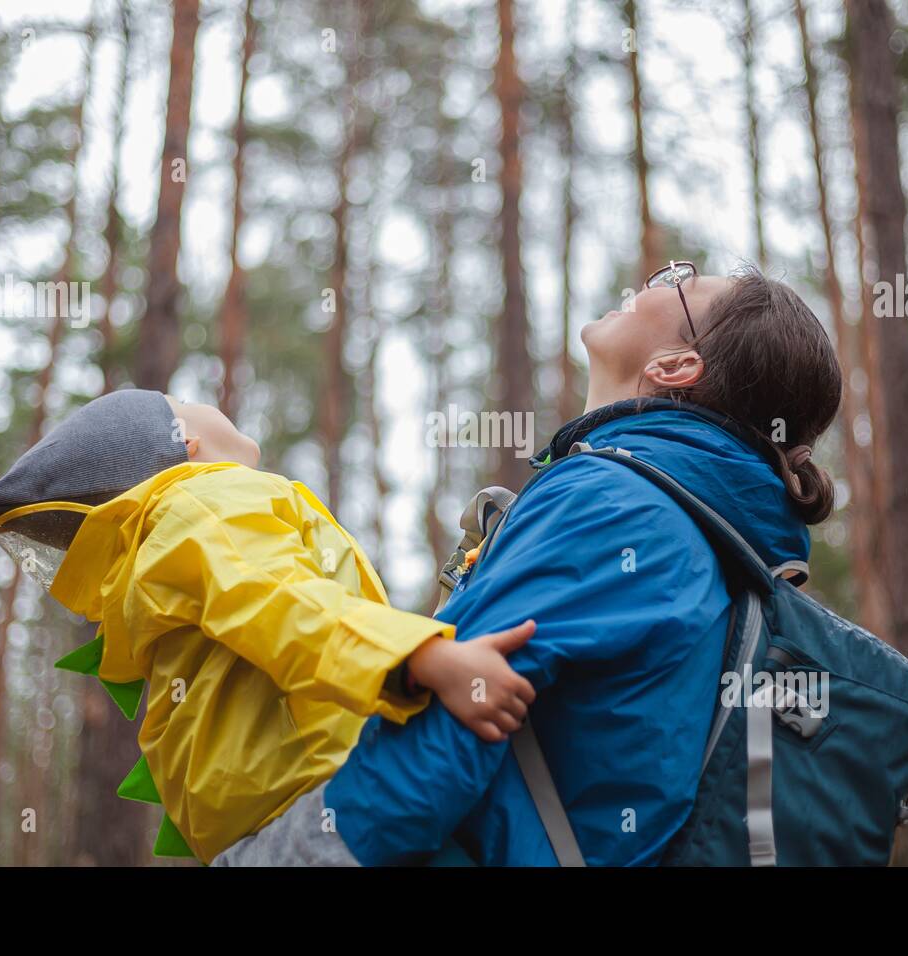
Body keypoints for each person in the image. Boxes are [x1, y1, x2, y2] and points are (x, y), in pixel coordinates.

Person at [213, 263, 843, 866]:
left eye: (678, 282)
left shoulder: (614, 500)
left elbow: (458, 716)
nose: (652, 279)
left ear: (675, 366)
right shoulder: (701, 531)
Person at [0, 388, 535, 863]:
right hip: (323, 804)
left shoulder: (163, 539)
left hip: (264, 835)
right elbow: (276, 600)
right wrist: (424, 658)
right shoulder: (202, 501)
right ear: (186, 444)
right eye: (182, 401)